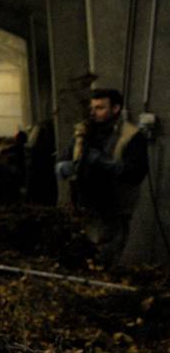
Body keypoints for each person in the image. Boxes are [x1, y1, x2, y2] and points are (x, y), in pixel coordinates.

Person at [55, 88, 149, 264]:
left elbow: (136, 173)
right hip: (84, 206)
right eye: (93, 108)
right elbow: (65, 157)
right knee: (80, 257)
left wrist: (104, 162)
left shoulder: (132, 136)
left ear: (115, 109)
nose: (94, 113)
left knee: (104, 257)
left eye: (100, 108)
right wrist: (63, 167)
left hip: (114, 207)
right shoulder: (84, 132)